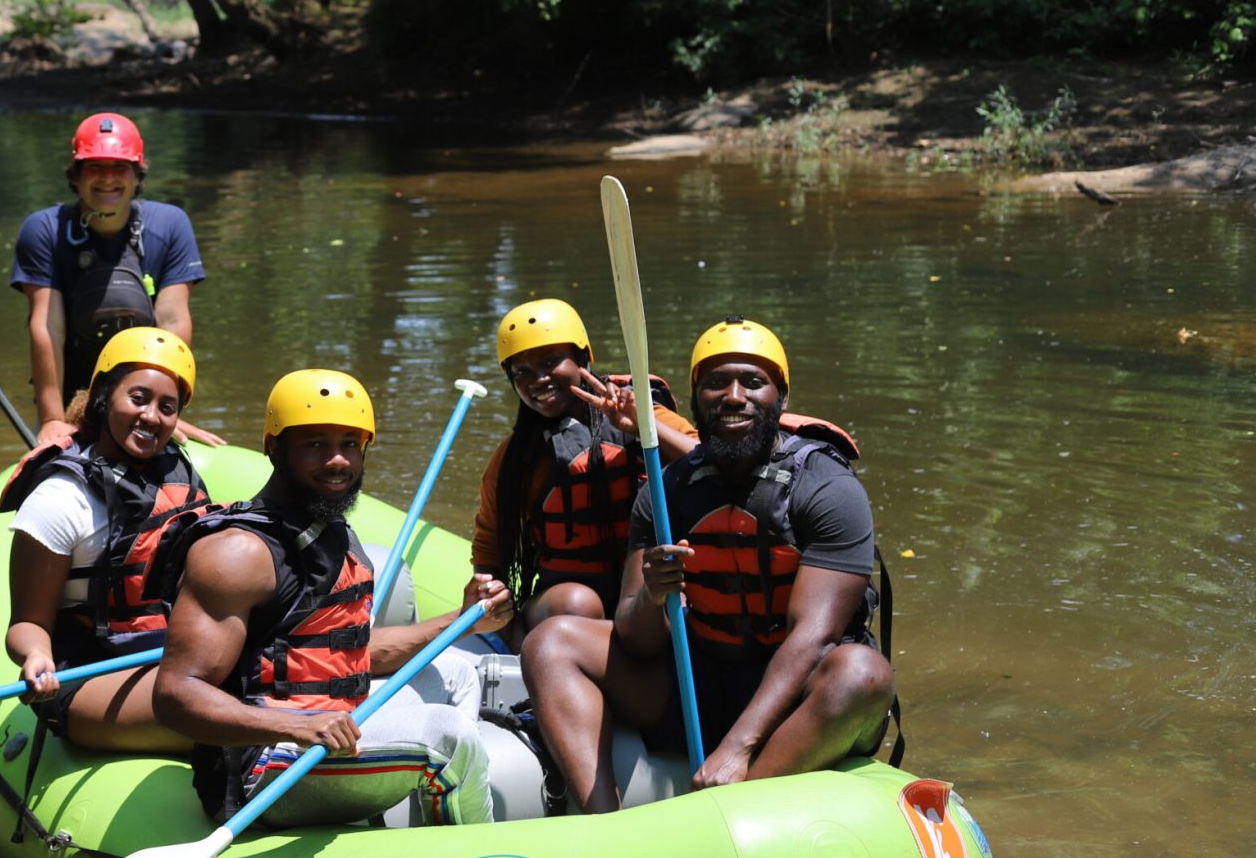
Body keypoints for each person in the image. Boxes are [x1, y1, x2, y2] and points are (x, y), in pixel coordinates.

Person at [521, 318, 895, 812]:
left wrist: (737, 748)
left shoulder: (826, 487)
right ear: (696, 397)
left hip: (791, 700)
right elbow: (635, 639)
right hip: (697, 685)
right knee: (550, 642)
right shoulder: (665, 490)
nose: (733, 396)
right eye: (716, 382)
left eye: (752, 382)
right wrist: (653, 596)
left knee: (862, 673)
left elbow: (815, 637)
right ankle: (602, 822)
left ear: (780, 396)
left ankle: (731, 810)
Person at [152, 369, 511, 828]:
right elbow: (175, 694)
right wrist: (295, 726)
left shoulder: (330, 527)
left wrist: (463, 620)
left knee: (458, 671)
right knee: (450, 734)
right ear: (274, 448)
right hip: (267, 767)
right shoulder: (237, 553)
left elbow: (347, 656)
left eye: (349, 444)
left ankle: (432, 815)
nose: (337, 460)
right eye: (315, 445)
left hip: (328, 730)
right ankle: (469, 856)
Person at [0, 328, 211, 755]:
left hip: (170, 661)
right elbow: (27, 622)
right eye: (138, 398)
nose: (152, 416)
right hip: (89, 676)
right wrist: (36, 656)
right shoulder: (59, 499)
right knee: (236, 702)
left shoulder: (176, 471)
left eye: (167, 407)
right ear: (103, 397)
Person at [472, 298, 696, 635]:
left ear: (582, 359)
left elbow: (712, 463)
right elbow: (490, 545)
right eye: (522, 372)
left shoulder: (643, 418)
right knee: (579, 601)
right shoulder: (513, 460)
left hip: (645, 596)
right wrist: (492, 603)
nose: (539, 380)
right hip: (561, 605)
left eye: (551, 362)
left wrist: (644, 427)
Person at [10, 112, 223, 451]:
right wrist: (52, 420)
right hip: (69, 399)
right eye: (94, 166)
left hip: (146, 398)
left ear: (137, 175)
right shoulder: (43, 230)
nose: (107, 178)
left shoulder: (170, 225)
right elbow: (48, 326)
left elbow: (172, 321)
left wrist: (168, 409)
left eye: (119, 167)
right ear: (76, 175)